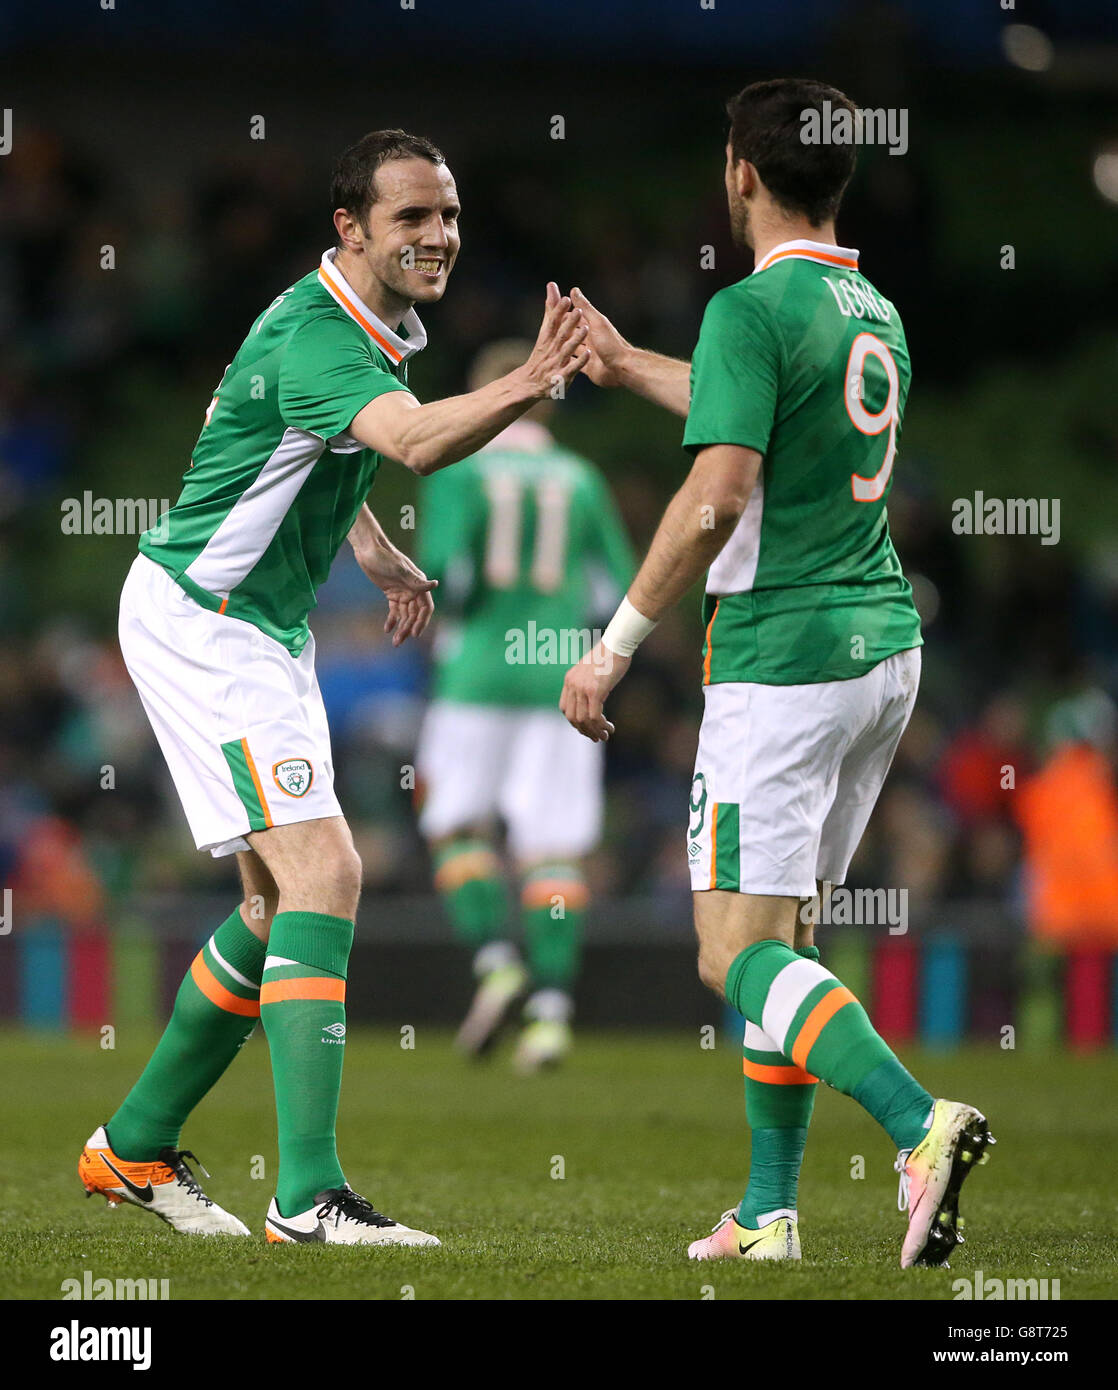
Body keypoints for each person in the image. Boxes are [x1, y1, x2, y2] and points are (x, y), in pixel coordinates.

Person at [79, 129, 588, 1246]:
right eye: (412, 217)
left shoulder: (365, 322)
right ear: (350, 229)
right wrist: (529, 379)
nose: (438, 235)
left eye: (447, 214)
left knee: (274, 906)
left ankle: (132, 1145)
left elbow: (313, 444)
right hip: (209, 624)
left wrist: (365, 545)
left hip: (253, 623)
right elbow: (407, 442)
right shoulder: (325, 334)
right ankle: (306, 1196)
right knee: (331, 870)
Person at [560, 79, 993, 1267]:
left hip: (783, 658)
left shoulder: (747, 308)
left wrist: (609, 648)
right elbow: (761, 412)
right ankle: (765, 1212)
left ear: (739, 173)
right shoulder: (870, 308)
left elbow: (716, 494)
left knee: (727, 949)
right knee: (786, 938)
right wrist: (625, 361)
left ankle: (920, 1123)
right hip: (878, 650)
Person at [414, 339, 635, 1071]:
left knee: (453, 826)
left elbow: (449, 575)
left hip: (476, 676)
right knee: (553, 851)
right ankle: (550, 1016)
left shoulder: (460, 468)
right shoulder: (581, 478)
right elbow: (615, 592)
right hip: (558, 677)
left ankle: (496, 960)